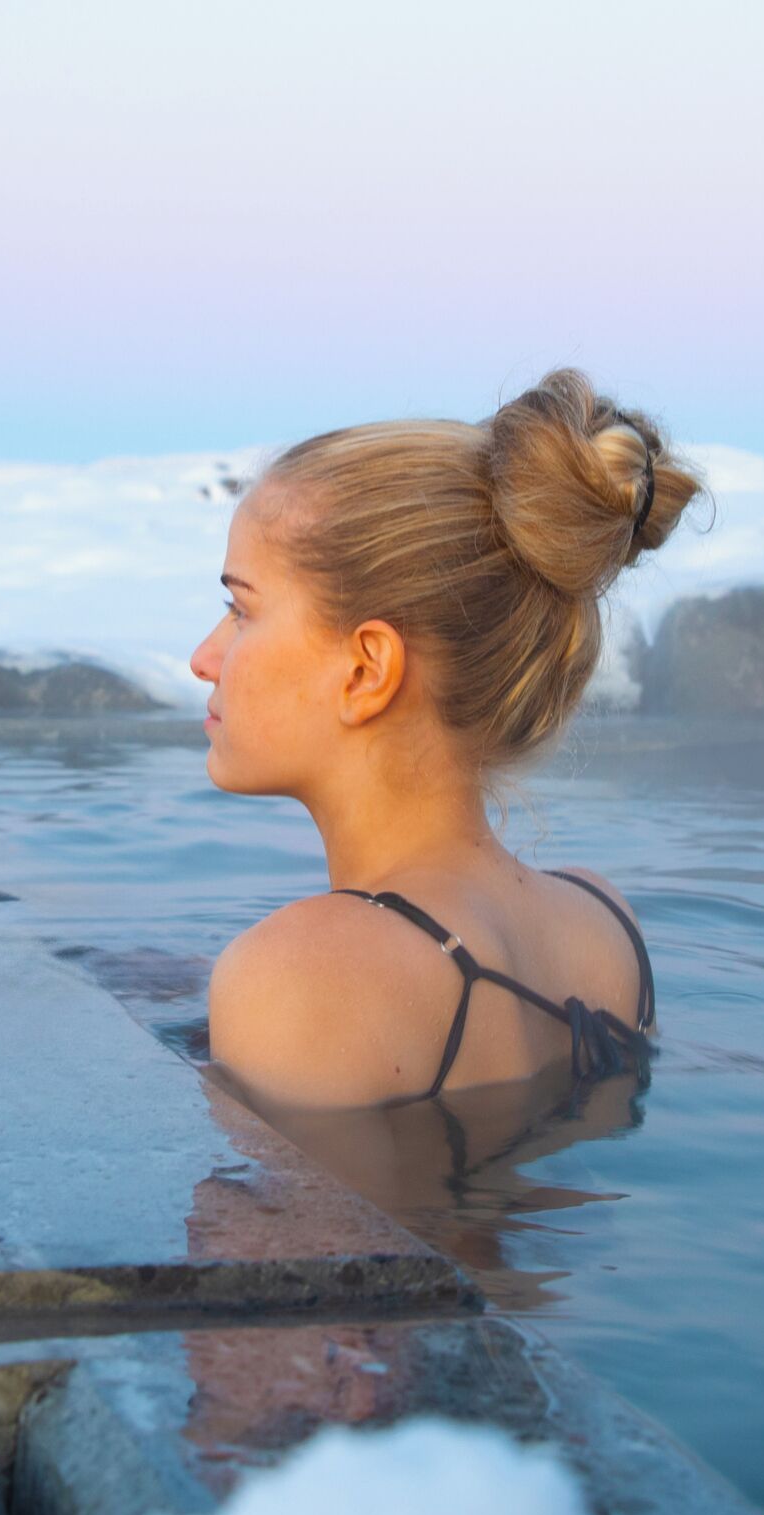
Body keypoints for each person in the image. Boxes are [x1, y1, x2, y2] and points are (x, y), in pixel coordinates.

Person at [189, 369, 697, 1112]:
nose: (203, 657)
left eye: (240, 609)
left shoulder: (298, 977)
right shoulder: (605, 925)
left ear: (366, 670)